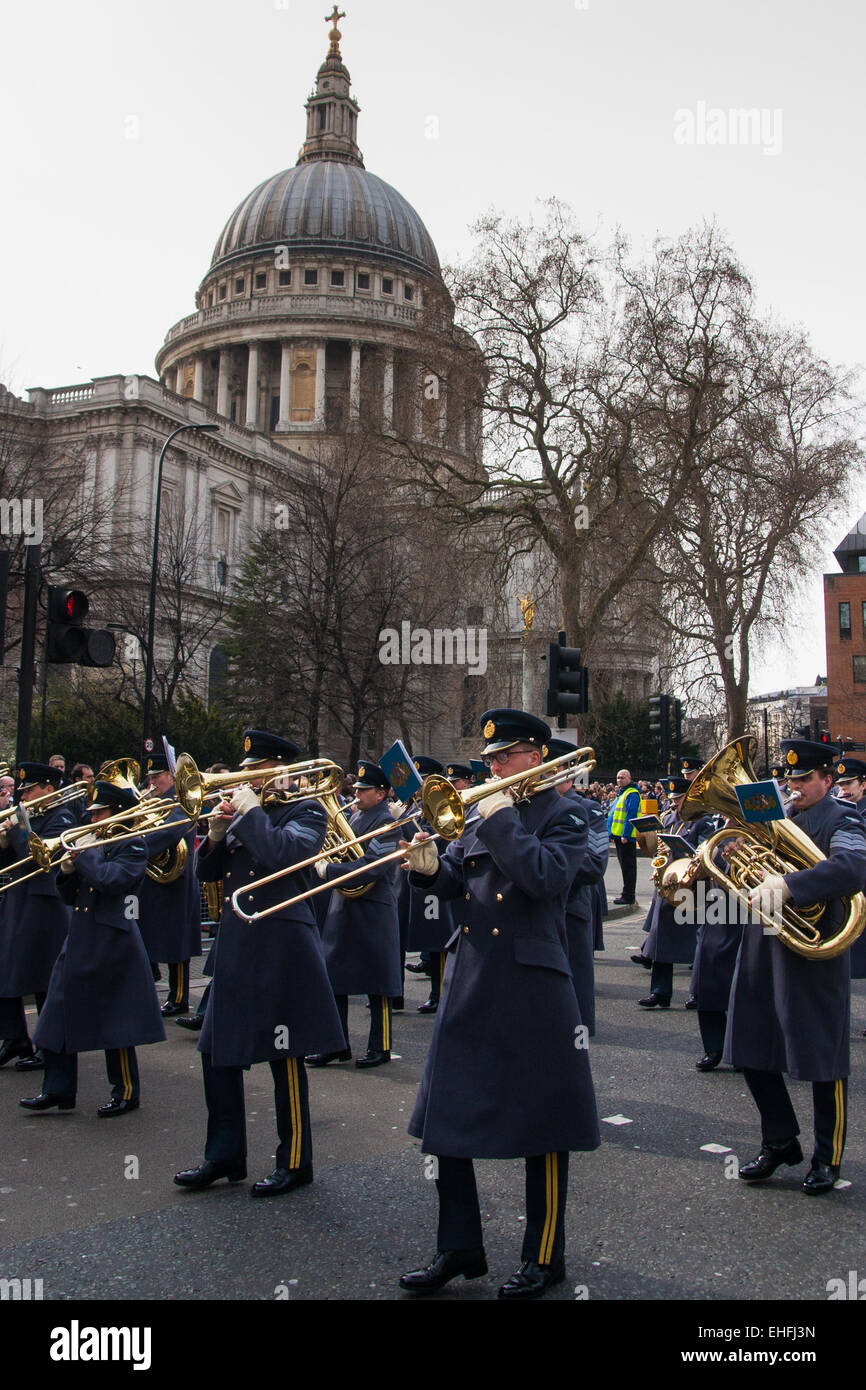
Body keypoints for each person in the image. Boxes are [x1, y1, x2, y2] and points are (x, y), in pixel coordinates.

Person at [399, 709, 599, 1300]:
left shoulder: (567, 815)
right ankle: (458, 1245)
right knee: (445, 1115)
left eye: (501, 757)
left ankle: (544, 1256)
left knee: (545, 1121)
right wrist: (429, 871)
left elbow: (544, 879)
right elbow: (460, 879)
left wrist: (501, 817)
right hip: (473, 974)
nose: (489, 766)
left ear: (535, 757)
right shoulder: (481, 811)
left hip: (533, 981)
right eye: (487, 758)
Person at [175, 729, 345, 1196]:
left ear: (280, 772)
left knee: (284, 1056)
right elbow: (207, 873)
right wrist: (212, 836)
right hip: (236, 944)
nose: (243, 780)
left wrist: (250, 813)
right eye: (242, 773)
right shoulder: (242, 816)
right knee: (215, 1051)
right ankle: (224, 1153)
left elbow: (286, 856)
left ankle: (295, 1160)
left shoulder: (306, 811)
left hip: (282, 947)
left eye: (253, 772)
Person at [727, 738, 866, 1194]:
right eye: (789, 778)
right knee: (751, 1043)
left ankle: (828, 1158)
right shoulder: (775, 815)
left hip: (814, 947)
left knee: (822, 1052)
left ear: (828, 780)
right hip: (764, 942)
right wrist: (733, 850)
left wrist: (789, 885)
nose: (794, 785)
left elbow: (855, 865)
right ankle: (780, 1139)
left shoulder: (842, 817)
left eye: (805, 778)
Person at [21, 780, 165, 1115]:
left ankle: (127, 1091)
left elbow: (110, 881)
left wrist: (84, 855)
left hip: (113, 937)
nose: (92, 818)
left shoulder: (132, 844)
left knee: (117, 1018)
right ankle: (58, 1088)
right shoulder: (96, 843)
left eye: (99, 812)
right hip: (81, 934)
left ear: (116, 812)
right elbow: (71, 895)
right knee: (56, 1012)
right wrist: (67, 872)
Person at [309, 761, 403, 1067]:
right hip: (344, 904)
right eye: (358, 789)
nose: (357, 794)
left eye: (364, 790)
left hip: (374, 907)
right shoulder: (352, 816)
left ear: (381, 794)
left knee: (378, 983)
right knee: (334, 976)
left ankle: (381, 1046)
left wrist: (331, 869)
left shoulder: (388, 823)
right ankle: (337, 1043)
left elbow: (374, 866)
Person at [0, 763, 75, 1070]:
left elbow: (41, 860)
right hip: (19, 902)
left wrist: (17, 831)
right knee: (7, 973)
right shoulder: (32, 816)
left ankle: (48, 1044)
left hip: (45, 906)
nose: (25, 796)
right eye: (24, 791)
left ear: (49, 788)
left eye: (30, 790)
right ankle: (14, 1036)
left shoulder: (63, 817)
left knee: (43, 978)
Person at [637, 777, 714, 1008]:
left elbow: (704, 851)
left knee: (699, 942)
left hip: (693, 885)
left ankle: (698, 992)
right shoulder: (668, 818)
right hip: (669, 883)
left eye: (679, 799)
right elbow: (657, 848)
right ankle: (660, 991)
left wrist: (688, 853)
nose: (674, 804)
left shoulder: (703, 821)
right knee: (660, 939)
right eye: (672, 799)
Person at [136, 752, 201, 1017]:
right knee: (152, 935)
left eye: (157, 776)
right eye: (150, 777)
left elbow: (169, 831)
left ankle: (179, 997)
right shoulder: (154, 801)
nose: (152, 782)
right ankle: (154, 991)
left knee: (177, 941)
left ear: (171, 776)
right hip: (155, 877)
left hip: (177, 878)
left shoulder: (182, 800)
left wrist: (136, 845)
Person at [606, 769, 641, 906]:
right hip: (619, 836)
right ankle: (626, 893)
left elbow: (630, 816)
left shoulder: (631, 793)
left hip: (626, 837)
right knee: (625, 867)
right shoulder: (622, 793)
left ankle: (628, 895)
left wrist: (626, 834)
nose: (619, 780)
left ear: (629, 778)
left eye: (622, 777)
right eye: (618, 777)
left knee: (628, 868)